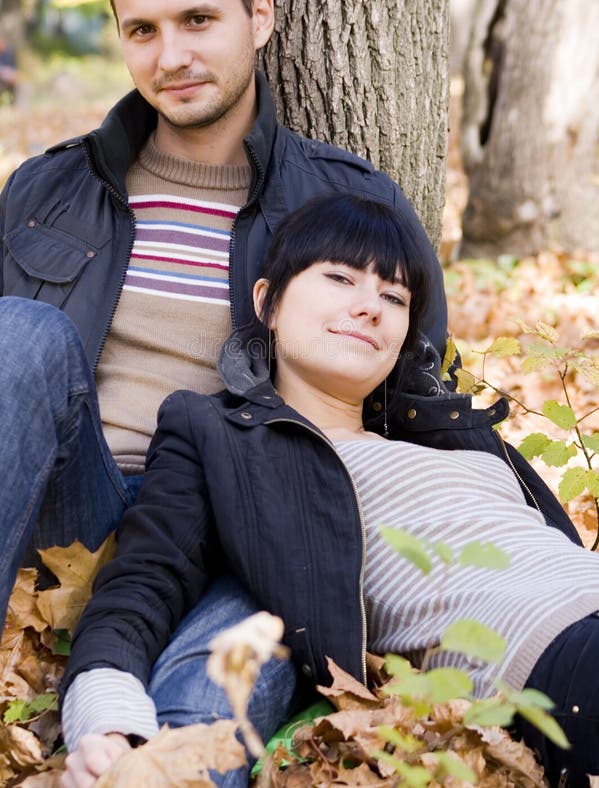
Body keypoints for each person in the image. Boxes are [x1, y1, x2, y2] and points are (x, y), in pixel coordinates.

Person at [0, 0, 448, 785]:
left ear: (262, 16)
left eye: (198, 20)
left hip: (239, 524)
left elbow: (414, 396)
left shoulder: (341, 202)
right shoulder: (49, 187)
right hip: (68, 512)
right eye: (142, 29)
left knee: (205, 710)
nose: (170, 58)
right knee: (22, 334)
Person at [60, 194, 597, 788]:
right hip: (546, 660)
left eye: (393, 297)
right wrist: (107, 713)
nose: (369, 308)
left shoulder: (455, 435)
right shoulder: (223, 437)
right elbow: (146, 578)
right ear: (267, 302)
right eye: (340, 278)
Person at [0, 32, 18, 103]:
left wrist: (10, 73)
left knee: (19, 84)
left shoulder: (9, 53)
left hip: (8, 78)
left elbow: (13, 67)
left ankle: (14, 104)